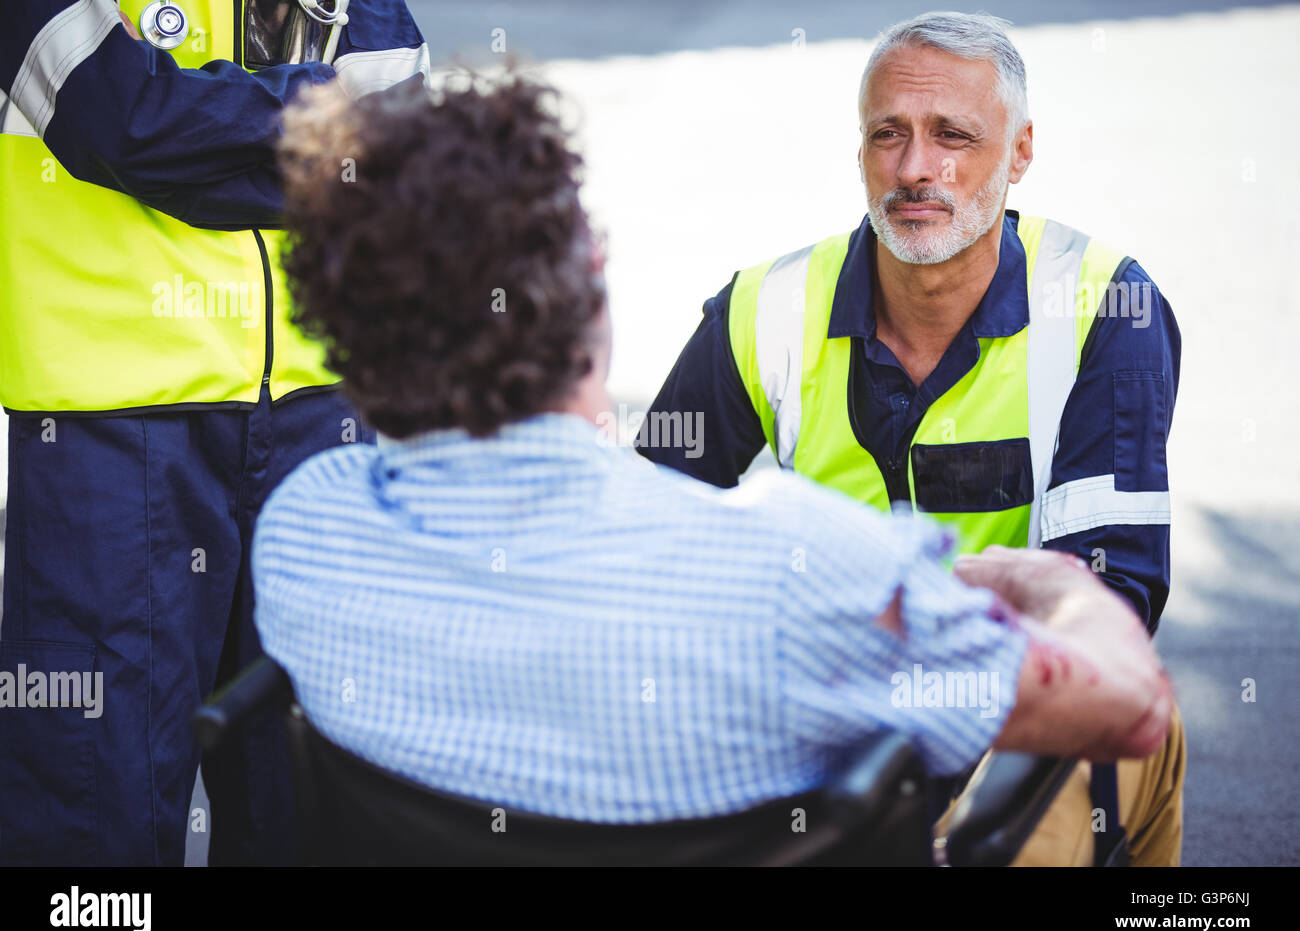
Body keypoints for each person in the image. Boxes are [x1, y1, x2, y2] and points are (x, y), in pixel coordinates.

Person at [251, 72, 1173, 840]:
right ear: (589, 284)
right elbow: (1126, 703)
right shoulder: (805, 575)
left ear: (344, 329)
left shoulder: (304, 530)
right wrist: (1037, 585)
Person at [637, 10, 1185, 866]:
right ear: (859, 152)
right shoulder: (760, 310)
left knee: (1129, 721)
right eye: (887, 134)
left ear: (1022, 152)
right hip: (827, 733)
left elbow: (1114, 600)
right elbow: (645, 544)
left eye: (954, 135)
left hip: (1024, 714)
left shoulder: (1104, 303)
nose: (916, 168)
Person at [0, 0, 429, 866]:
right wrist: (312, 119)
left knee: (314, 803)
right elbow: (119, 120)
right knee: (95, 812)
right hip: (112, 427)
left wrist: (204, 126)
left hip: (323, 410)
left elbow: (395, 130)